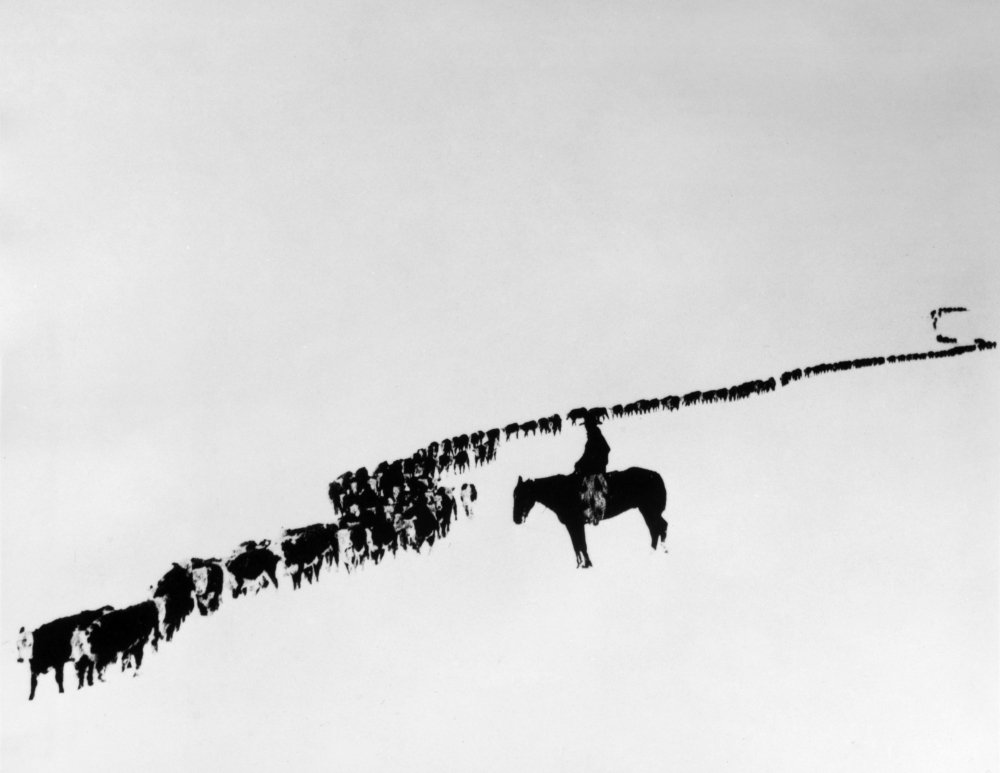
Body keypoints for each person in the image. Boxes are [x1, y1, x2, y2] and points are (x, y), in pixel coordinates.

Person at [574, 414, 610, 525]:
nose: (586, 427)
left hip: (596, 469)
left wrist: (584, 462)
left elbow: (601, 450)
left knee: (589, 488)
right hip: (593, 467)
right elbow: (588, 454)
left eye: (588, 425)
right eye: (586, 425)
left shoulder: (595, 435)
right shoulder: (593, 435)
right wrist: (580, 462)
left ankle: (595, 513)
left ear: (591, 425)